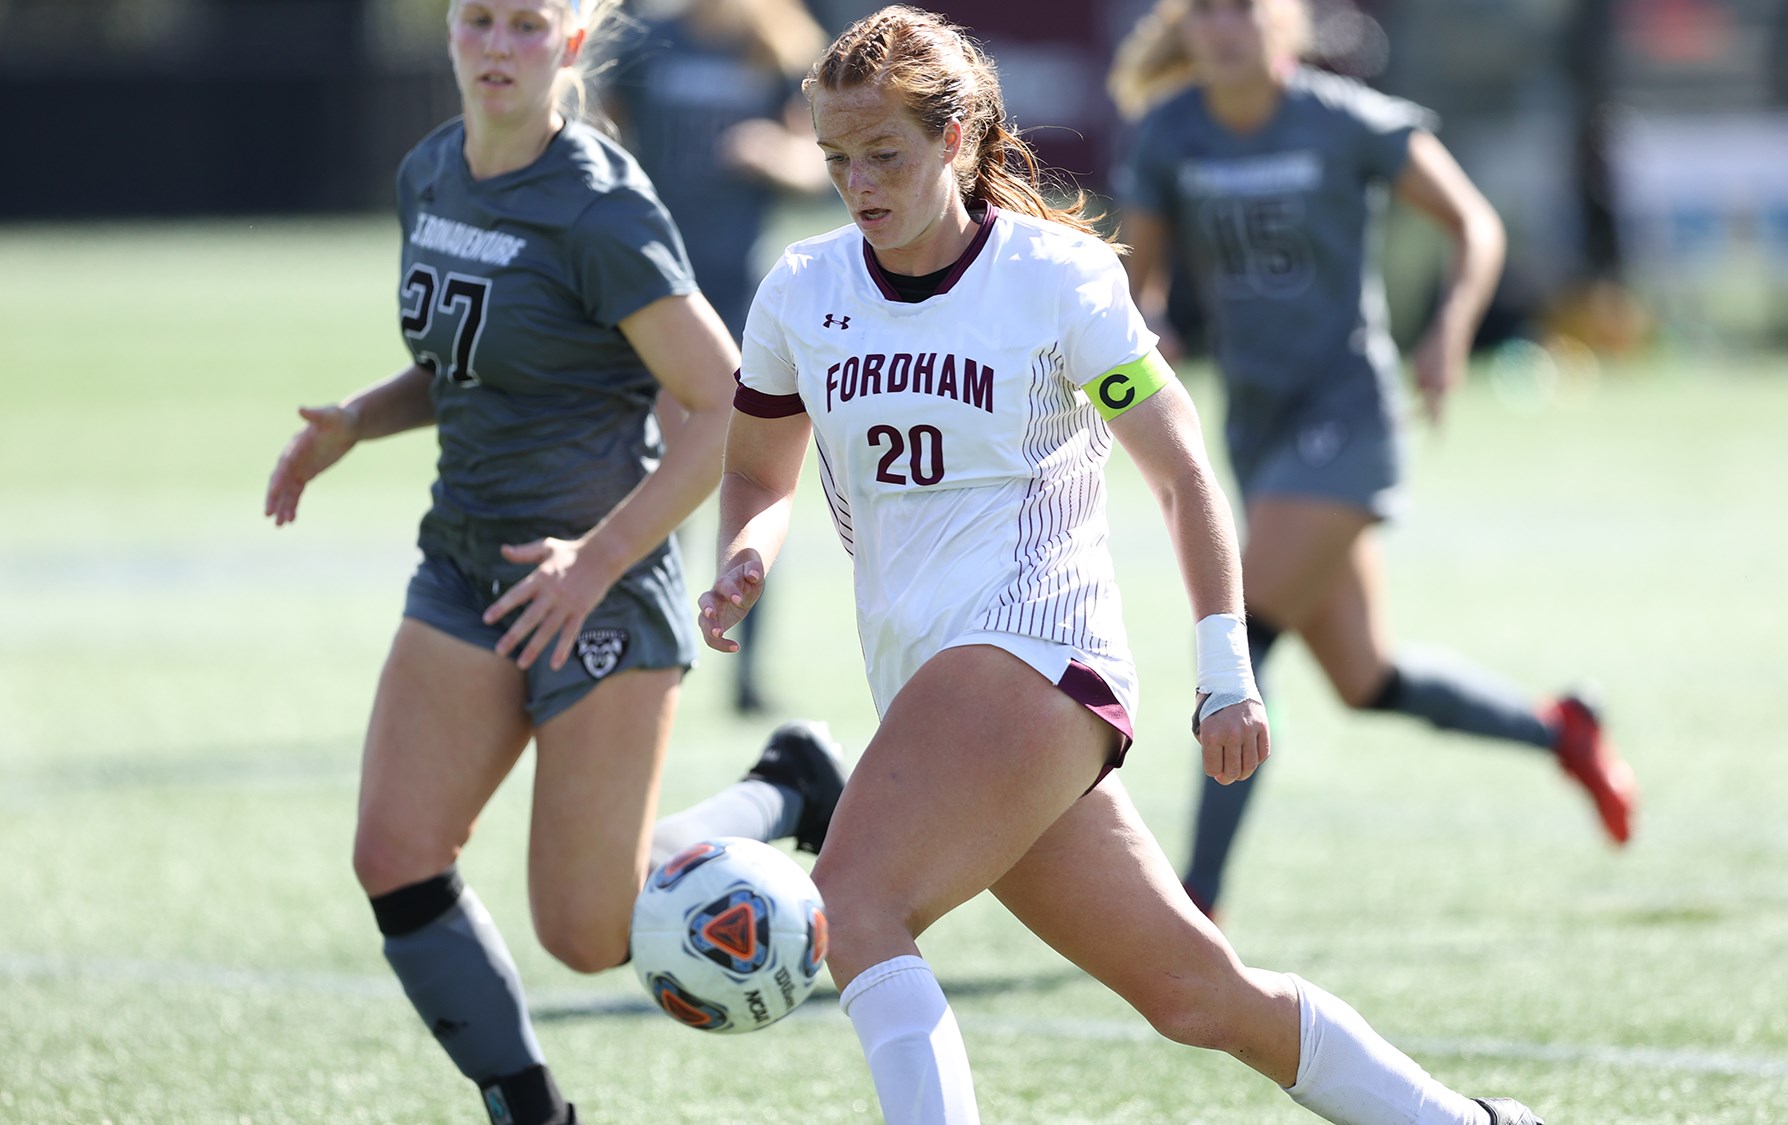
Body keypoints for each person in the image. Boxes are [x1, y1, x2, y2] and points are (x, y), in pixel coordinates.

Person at [700, 8, 1542, 1123]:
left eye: (885, 154)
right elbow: (758, 472)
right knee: (1197, 996)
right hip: (929, 687)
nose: (858, 181)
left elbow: (1183, 475)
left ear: (955, 139)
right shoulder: (801, 290)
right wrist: (744, 557)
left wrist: (1226, 672)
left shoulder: (1058, 279)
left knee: (850, 906)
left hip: (1032, 657)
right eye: (838, 157)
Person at [261, 3, 842, 1122]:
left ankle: (783, 791)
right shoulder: (431, 172)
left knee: (587, 933)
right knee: (395, 855)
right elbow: (472, 361)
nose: (495, 45)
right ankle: (530, 1109)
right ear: (447, 33)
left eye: (527, 25)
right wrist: (356, 420)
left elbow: (727, 405)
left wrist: (595, 558)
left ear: (569, 46)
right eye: (476, 19)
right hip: (464, 566)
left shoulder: (601, 204)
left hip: (604, 592)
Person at [1108, 0, 1641, 920]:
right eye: (1204, 13)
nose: (1223, 28)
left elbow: (1475, 226)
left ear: (1283, 25)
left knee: (1246, 628)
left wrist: (1448, 332)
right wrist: (1149, 332)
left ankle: (1197, 900)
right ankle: (1561, 729)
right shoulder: (1169, 133)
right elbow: (1139, 285)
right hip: (1257, 431)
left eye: (1240, 11)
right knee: (1367, 679)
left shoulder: (1346, 120)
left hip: (1349, 416)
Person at [605, 0, 833, 714]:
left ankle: (745, 670)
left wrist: (776, 154)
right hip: (654, 294)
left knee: (753, 483)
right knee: (656, 474)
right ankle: (648, 655)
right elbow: (601, 136)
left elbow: (823, 160)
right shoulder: (647, 37)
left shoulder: (779, 45)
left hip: (743, 299)